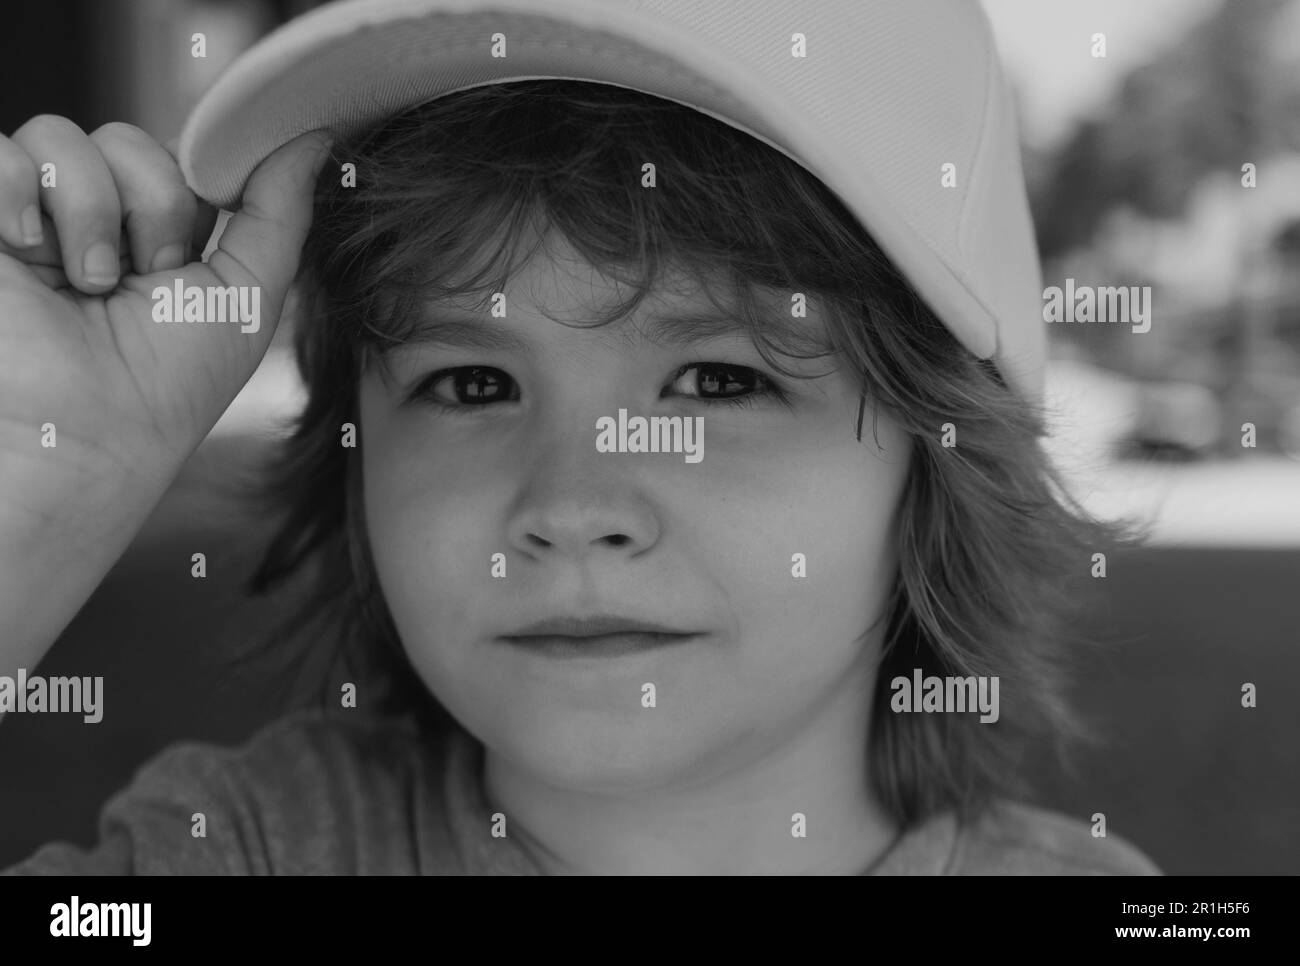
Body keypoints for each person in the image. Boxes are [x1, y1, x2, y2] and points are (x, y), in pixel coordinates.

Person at [0, 0, 1160, 874]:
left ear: (940, 460)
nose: (567, 502)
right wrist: (36, 487)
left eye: (714, 381)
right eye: (467, 384)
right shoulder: (245, 847)